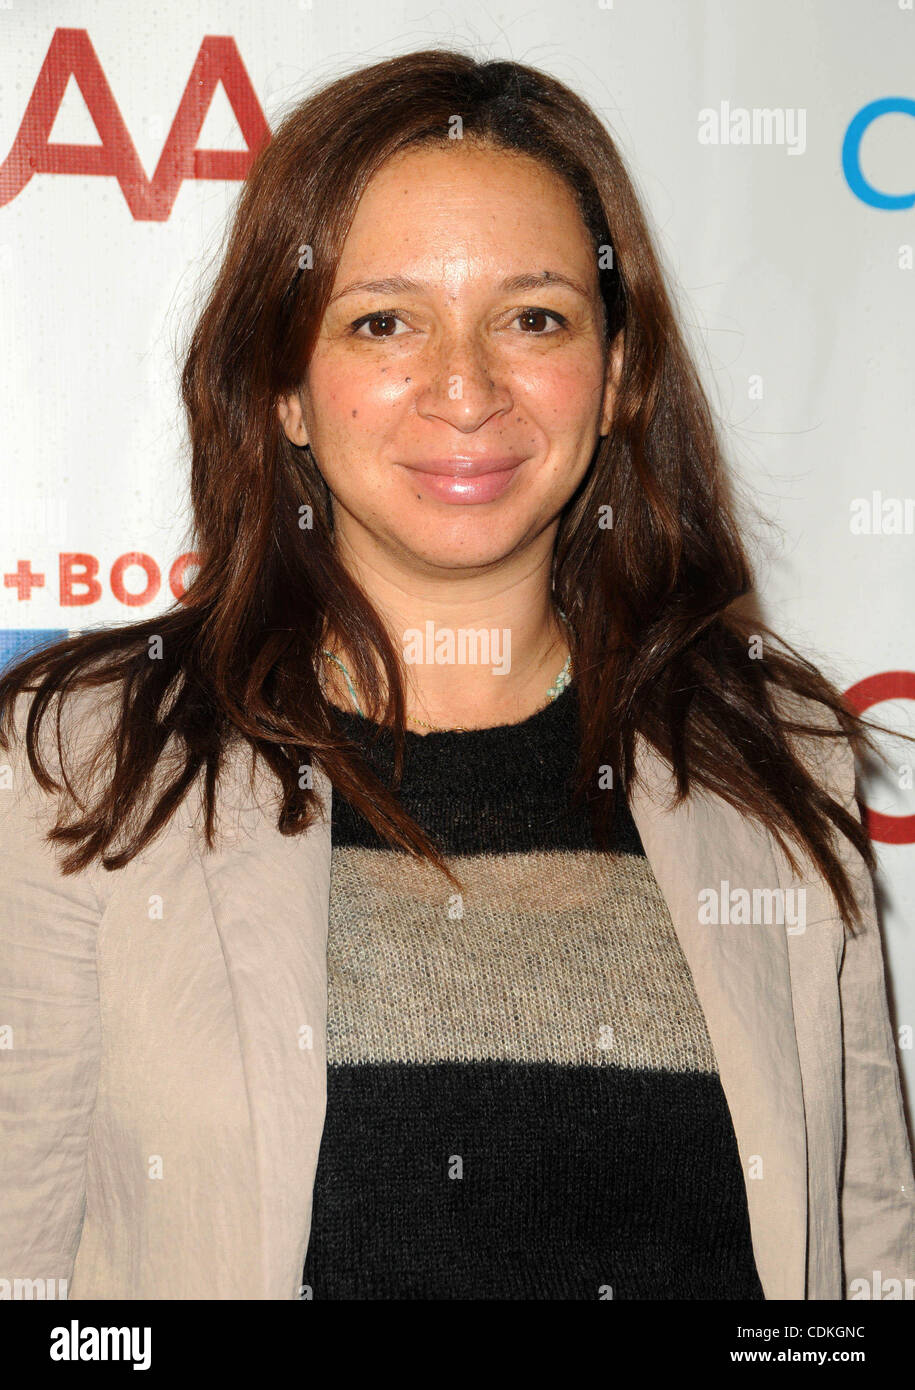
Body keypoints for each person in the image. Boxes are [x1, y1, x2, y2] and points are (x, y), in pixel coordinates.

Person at [0, 49, 912, 1301]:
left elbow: (868, 1268)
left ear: (618, 376)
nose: (467, 388)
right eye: (384, 320)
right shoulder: (85, 762)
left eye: (535, 316)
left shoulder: (776, 759)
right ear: (284, 390)